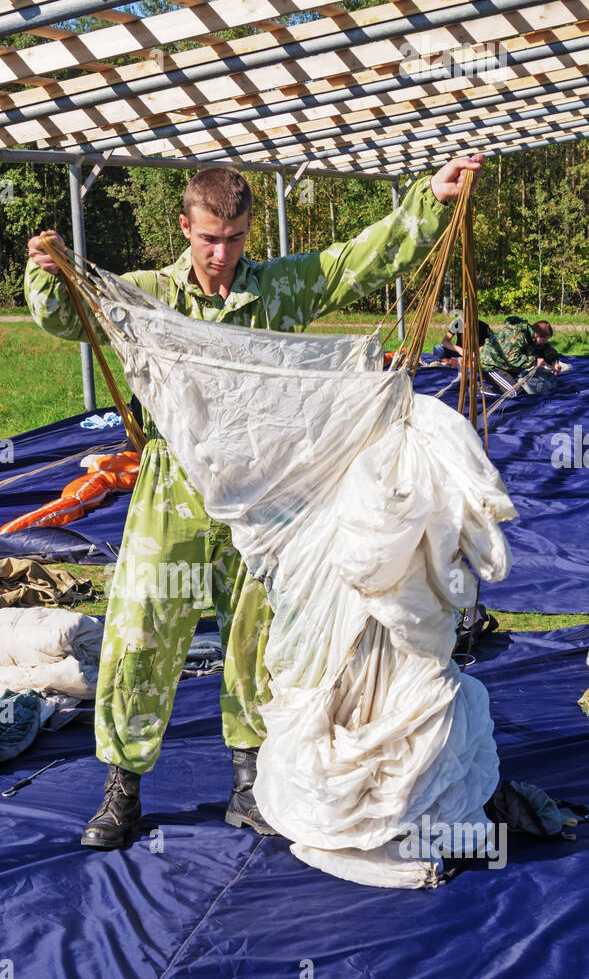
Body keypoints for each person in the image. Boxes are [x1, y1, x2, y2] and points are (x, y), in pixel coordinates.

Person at [26, 153, 485, 850]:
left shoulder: (275, 291)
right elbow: (67, 316)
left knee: (256, 638)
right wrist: (45, 269)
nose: (220, 254)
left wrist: (430, 199)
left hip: (264, 498)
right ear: (184, 227)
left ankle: (249, 781)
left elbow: (354, 260)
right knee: (142, 628)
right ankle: (122, 789)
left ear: (249, 234)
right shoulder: (150, 294)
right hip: (174, 489)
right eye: (208, 238)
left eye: (234, 239)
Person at [480, 316, 567, 395]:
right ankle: (481, 391)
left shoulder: (532, 337)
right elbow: (512, 359)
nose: (544, 342)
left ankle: (504, 383)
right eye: (544, 340)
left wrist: (554, 362)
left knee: (522, 388)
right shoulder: (516, 336)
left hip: (504, 365)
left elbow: (547, 349)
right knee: (514, 392)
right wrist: (535, 361)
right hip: (491, 365)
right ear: (537, 335)